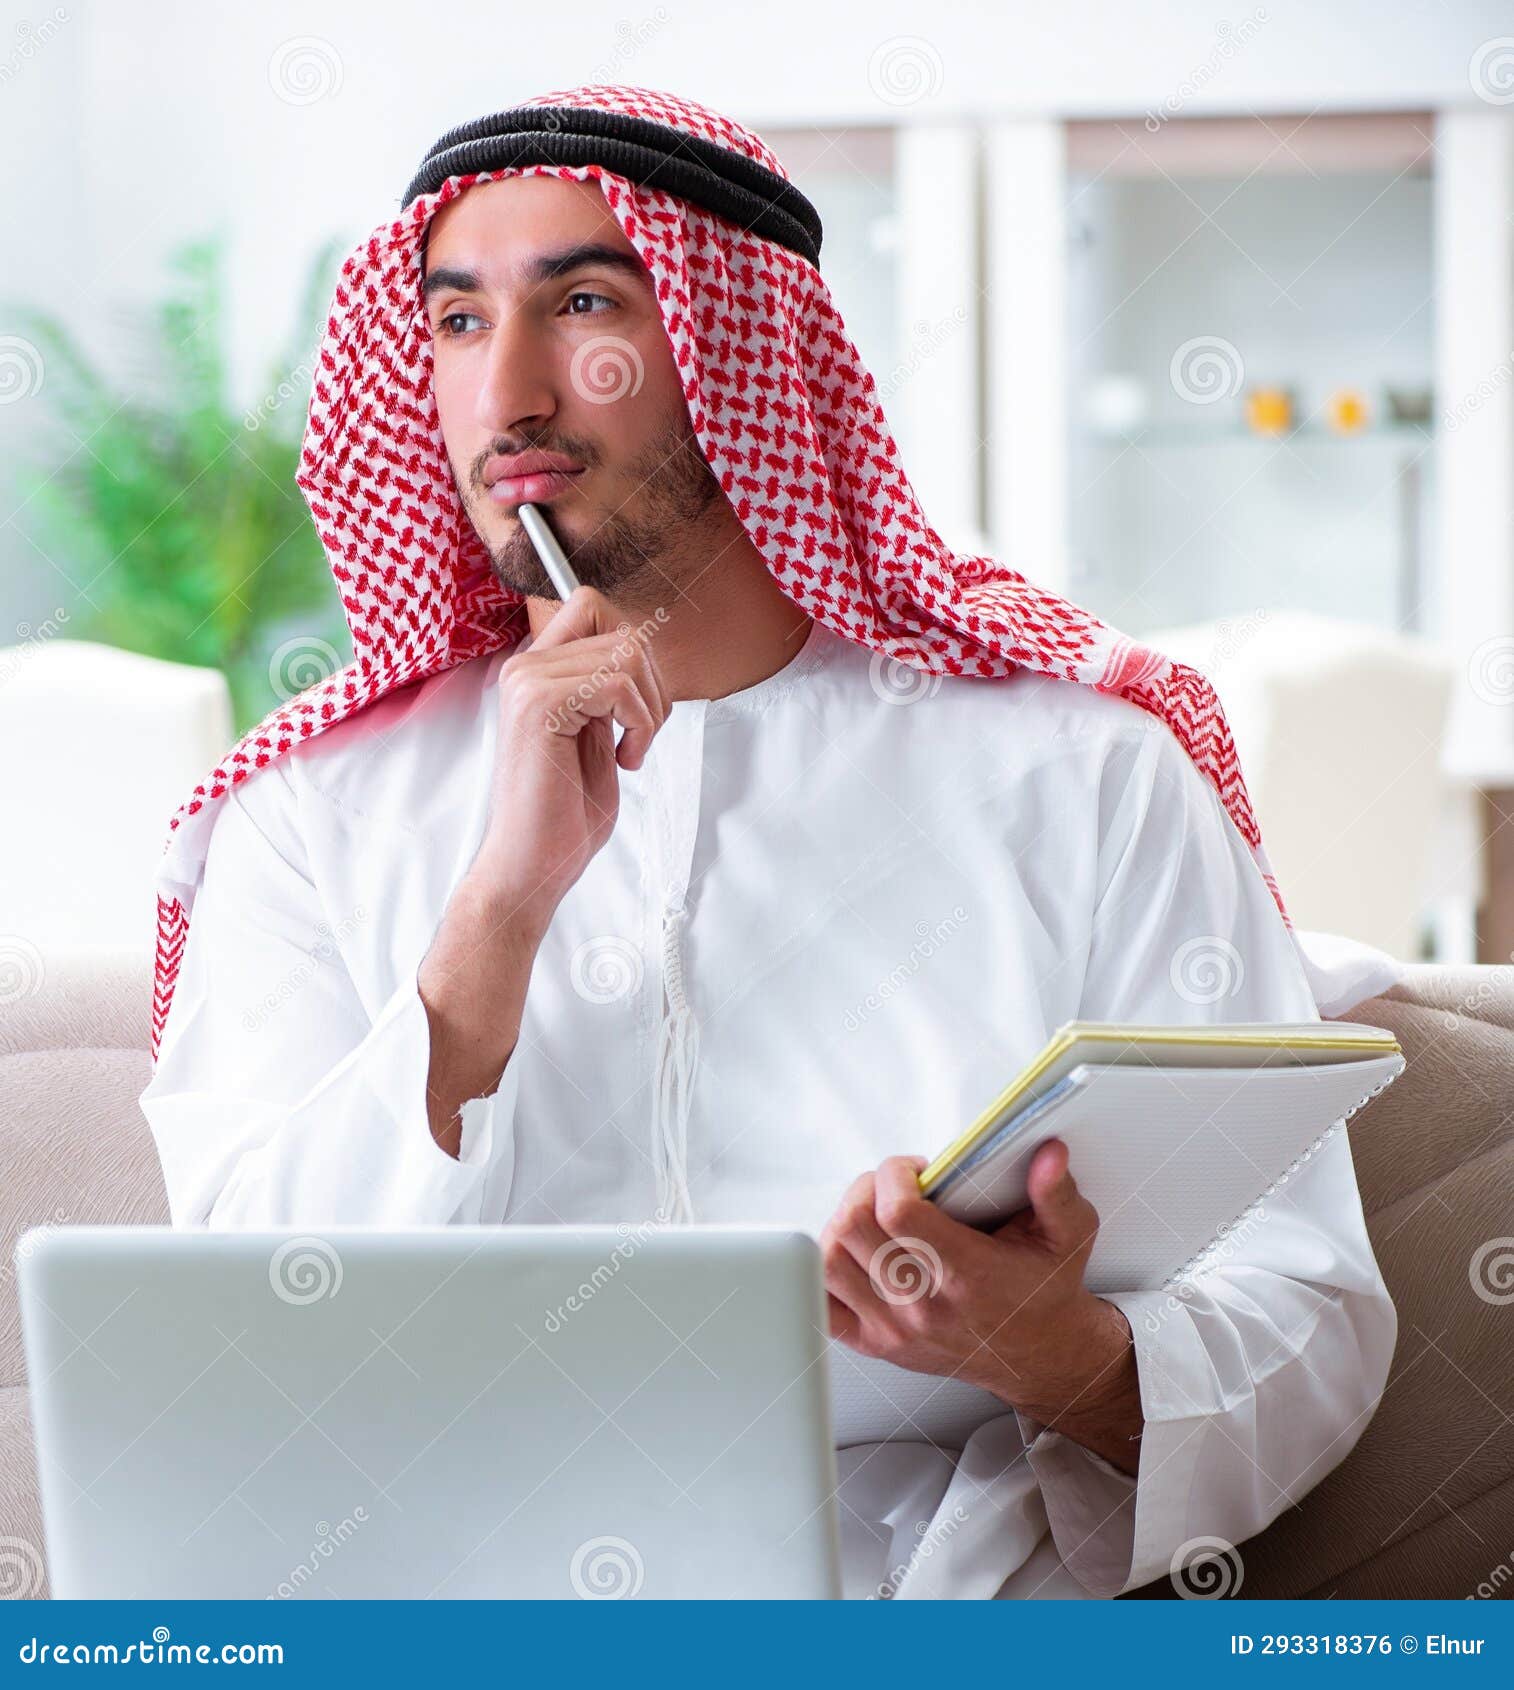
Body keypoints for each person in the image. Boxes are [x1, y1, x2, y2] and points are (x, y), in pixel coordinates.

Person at [140, 85, 1396, 1600]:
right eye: (458, 320)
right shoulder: (306, 814)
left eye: (583, 304)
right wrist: (498, 918)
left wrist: (1056, 1354)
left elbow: (1308, 1306)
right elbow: (232, 1346)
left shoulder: (1080, 776)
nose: (508, 395)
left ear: (740, 346)